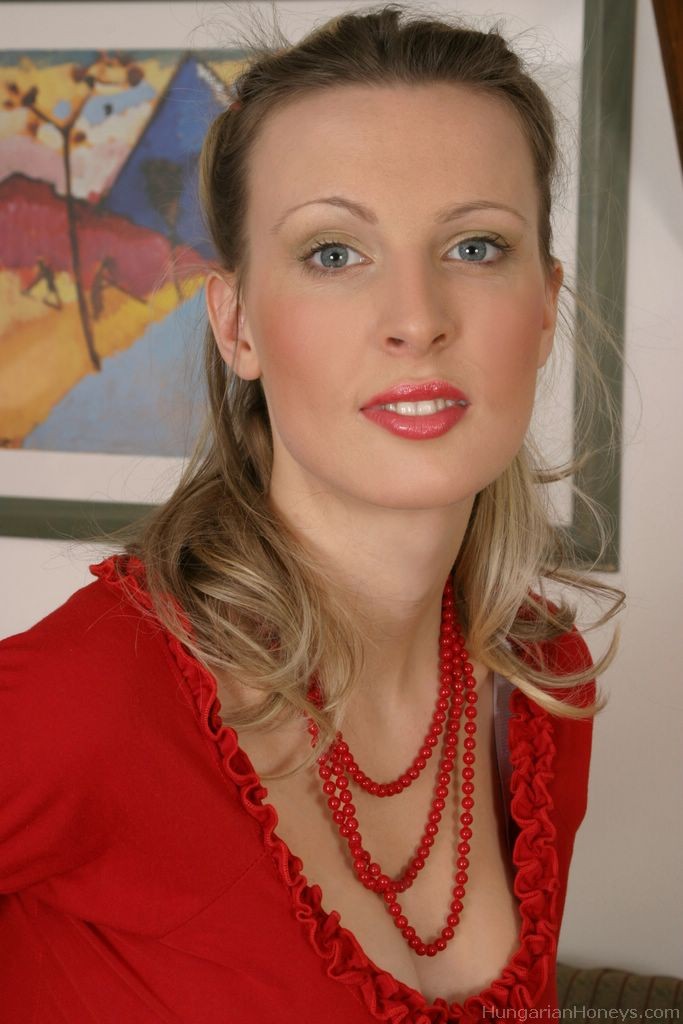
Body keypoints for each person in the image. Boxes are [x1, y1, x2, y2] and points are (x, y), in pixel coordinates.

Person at [0, 6, 623, 1022]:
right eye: (333, 253)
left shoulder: (540, 682)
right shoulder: (90, 699)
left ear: (545, 304)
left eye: (474, 245)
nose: (416, 318)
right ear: (237, 323)